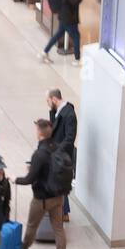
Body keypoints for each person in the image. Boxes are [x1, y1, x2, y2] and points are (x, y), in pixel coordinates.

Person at [14, 118, 68, 249]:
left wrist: (15, 179)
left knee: (32, 226)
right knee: (59, 229)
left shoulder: (39, 154)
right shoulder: (58, 148)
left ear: (39, 133)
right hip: (58, 197)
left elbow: (29, 179)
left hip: (41, 199)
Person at [40, 0, 85, 64]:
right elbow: (74, 1)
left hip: (65, 15)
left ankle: (44, 52)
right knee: (76, 37)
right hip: (68, 17)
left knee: (58, 35)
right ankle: (77, 59)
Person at [47, 88, 77, 219]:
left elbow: (69, 138)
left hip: (63, 156)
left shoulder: (69, 114)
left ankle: (63, 212)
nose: (47, 104)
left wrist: (57, 150)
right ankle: (64, 211)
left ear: (54, 99)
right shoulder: (58, 111)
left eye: (48, 101)